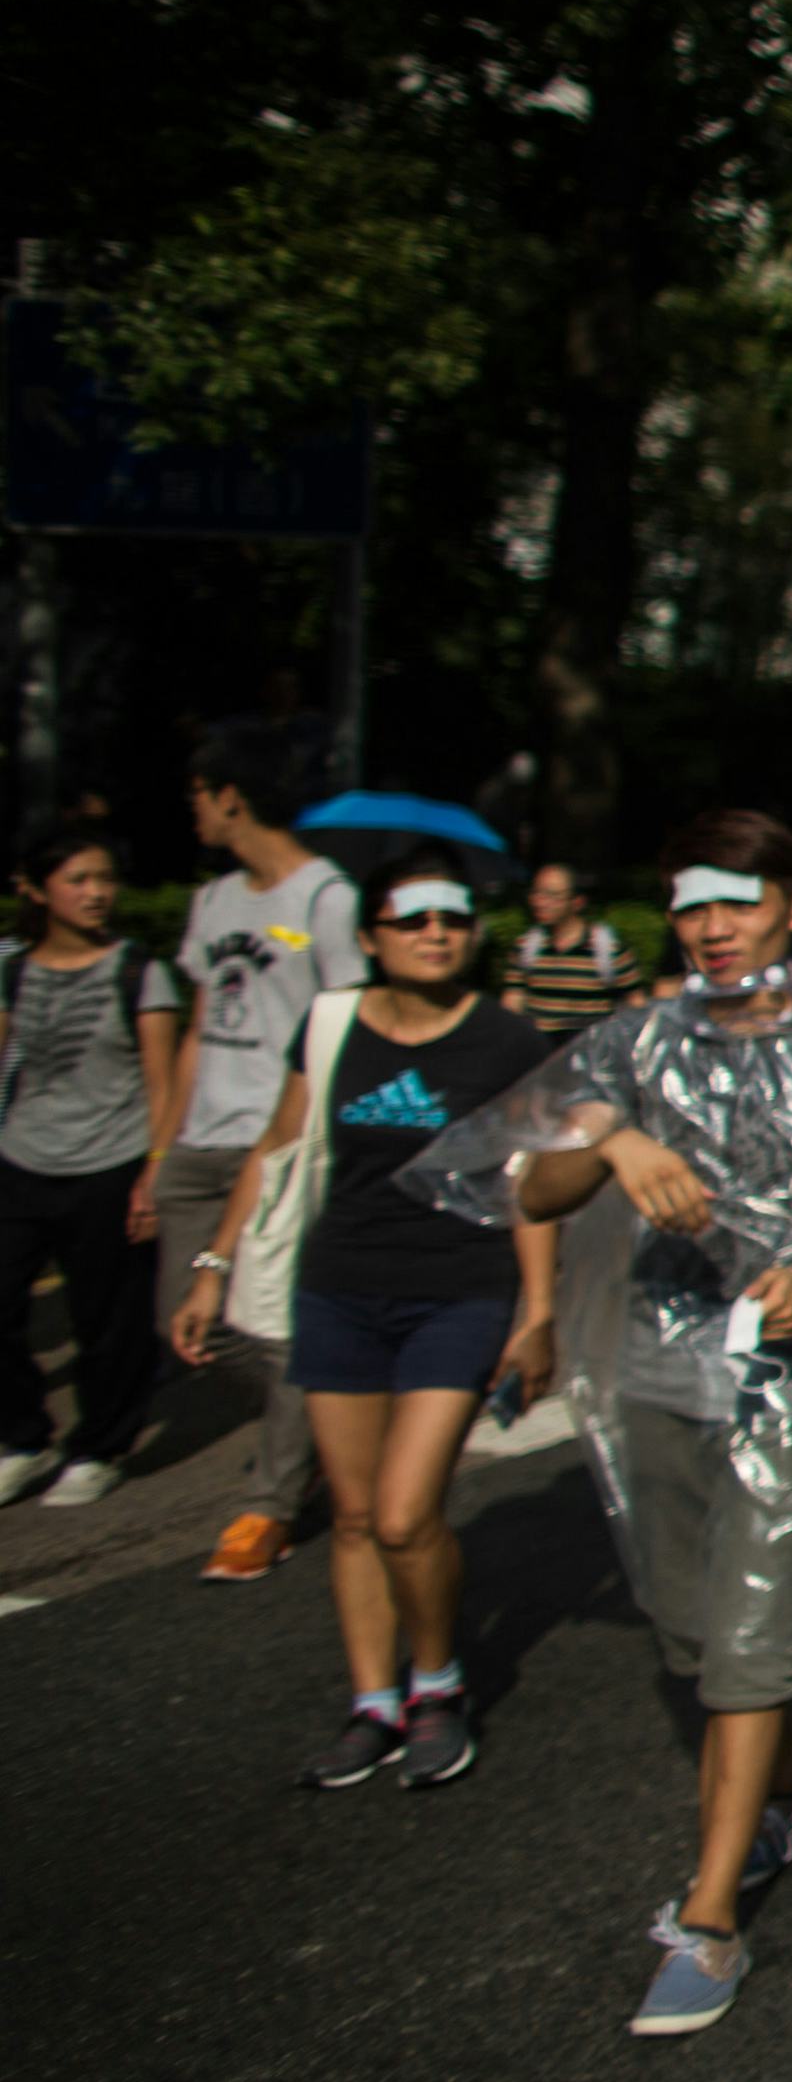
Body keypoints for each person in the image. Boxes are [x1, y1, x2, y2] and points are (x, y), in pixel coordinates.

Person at [416, 809, 792, 2037]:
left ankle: (707, 1915)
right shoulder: (631, 1044)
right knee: (692, 1638)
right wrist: (616, 1140)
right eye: (691, 902)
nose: (712, 924)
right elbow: (530, 1183)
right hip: (655, 1372)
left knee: (746, 1641)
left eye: (736, 898)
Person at [168, 846, 557, 1789]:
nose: (435, 933)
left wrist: (538, 1310)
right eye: (414, 918)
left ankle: (438, 1682)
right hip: (338, 1284)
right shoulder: (331, 1022)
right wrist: (212, 1266)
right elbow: (279, 1146)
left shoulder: (505, 1039)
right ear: (374, 934)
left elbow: (532, 1179)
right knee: (349, 1516)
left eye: (453, 918)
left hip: (460, 1289)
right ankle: (372, 1701)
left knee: (402, 1511)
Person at [161, 725, 363, 1582]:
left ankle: (271, 1501)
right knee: (185, 1315)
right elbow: (199, 1024)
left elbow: (350, 1020)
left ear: (228, 794)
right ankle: (329, 1417)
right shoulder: (212, 903)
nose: (194, 813)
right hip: (201, 1136)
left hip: (283, 1139)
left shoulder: (327, 897)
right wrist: (159, 1144)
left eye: (198, 796)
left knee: (276, 1322)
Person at [0, 825, 184, 1509]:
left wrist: (153, 1173)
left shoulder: (140, 969)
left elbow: (164, 1085)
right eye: (78, 879)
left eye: (105, 878)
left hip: (111, 1164)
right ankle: (24, 1438)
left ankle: (101, 1446)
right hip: (21, 1158)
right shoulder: (12, 968)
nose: (97, 893)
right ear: (36, 888)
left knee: (106, 1320)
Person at [502, 863, 642, 1040]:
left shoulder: (608, 949)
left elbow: (635, 1004)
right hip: (543, 1056)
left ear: (577, 902)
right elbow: (512, 1003)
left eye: (551, 895)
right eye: (536, 893)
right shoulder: (525, 947)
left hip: (592, 1053)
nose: (539, 902)